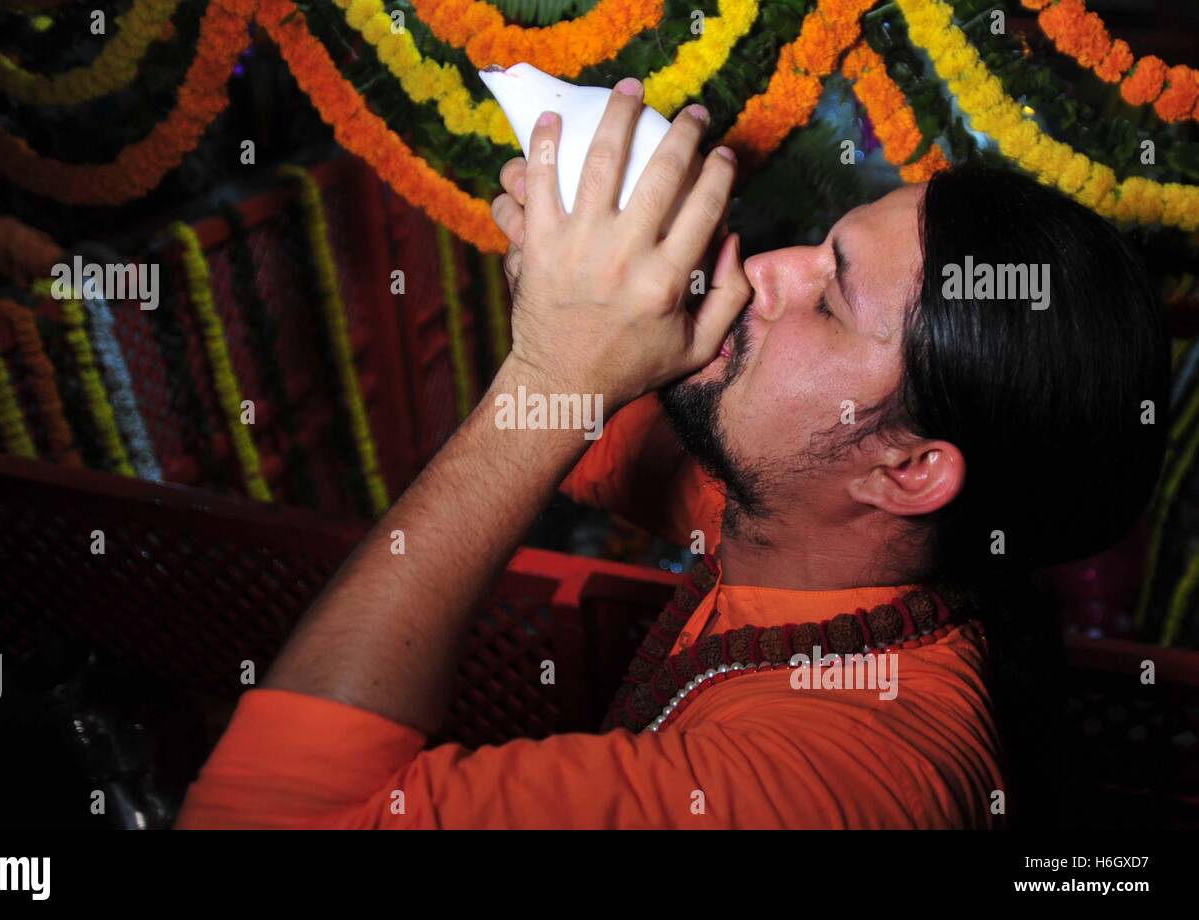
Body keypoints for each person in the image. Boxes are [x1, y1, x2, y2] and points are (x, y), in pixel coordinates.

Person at [175, 78, 1169, 829]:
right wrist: (569, 305)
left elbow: (254, 816)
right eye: (819, 245)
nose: (765, 268)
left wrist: (549, 369)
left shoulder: (837, 780)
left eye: (826, 298)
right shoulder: (806, 513)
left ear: (907, 470)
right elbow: (576, 433)